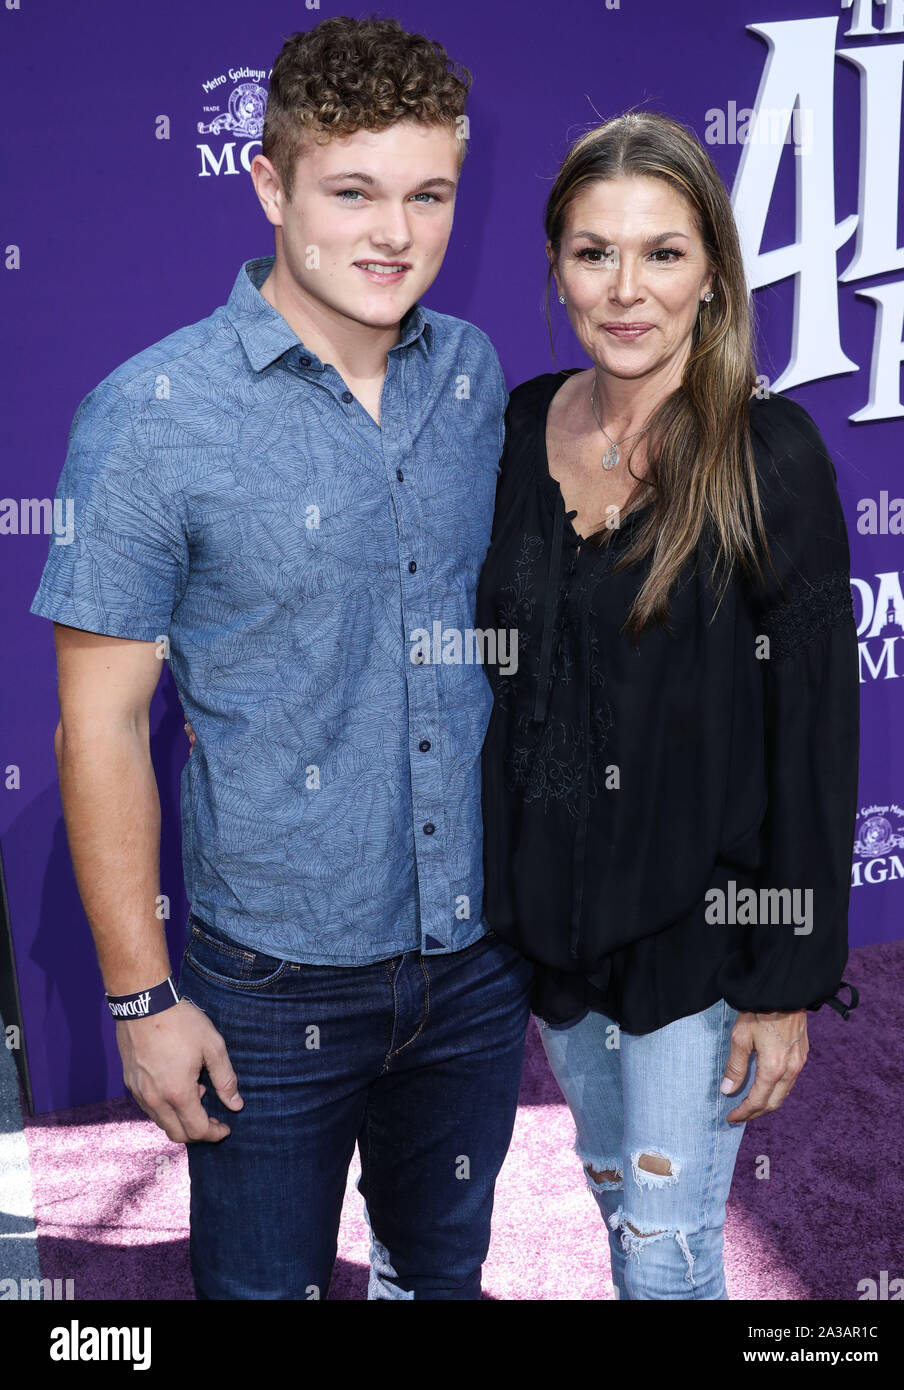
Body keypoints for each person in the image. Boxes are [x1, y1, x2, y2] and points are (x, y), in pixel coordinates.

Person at [29, 16, 533, 1301]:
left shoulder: (474, 377)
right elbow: (95, 729)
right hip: (267, 984)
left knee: (444, 1278)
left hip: (473, 969)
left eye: (428, 194)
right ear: (268, 185)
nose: (393, 232)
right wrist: (143, 1002)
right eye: (351, 191)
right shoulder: (150, 418)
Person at [475, 110, 860, 1300]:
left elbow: (812, 736)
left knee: (666, 1247)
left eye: (662, 253)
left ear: (713, 275)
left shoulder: (768, 454)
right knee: (611, 1192)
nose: (625, 289)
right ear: (555, 265)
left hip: (698, 934)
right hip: (551, 922)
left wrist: (785, 981)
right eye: (594, 252)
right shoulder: (515, 428)